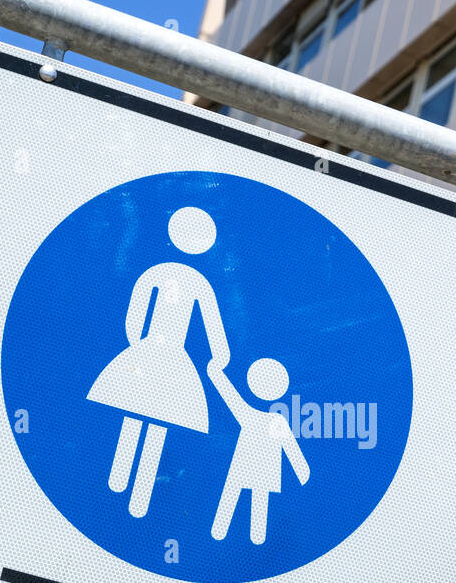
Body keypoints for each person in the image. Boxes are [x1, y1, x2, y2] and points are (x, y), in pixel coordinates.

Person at [87, 207, 229, 518]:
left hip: (155, 353)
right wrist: (219, 358)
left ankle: (128, 490)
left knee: (147, 419)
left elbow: (134, 318)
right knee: (151, 420)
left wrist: (140, 346)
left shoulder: (164, 274)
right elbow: (213, 332)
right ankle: (125, 489)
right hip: (165, 356)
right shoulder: (191, 280)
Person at [207, 357, 310, 545]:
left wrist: (215, 372)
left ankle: (227, 534)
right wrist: (303, 472)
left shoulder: (251, 415)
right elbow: (292, 449)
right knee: (247, 498)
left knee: (243, 498)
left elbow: (231, 396)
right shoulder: (274, 420)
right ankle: (237, 536)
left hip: (255, 466)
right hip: (254, 466)